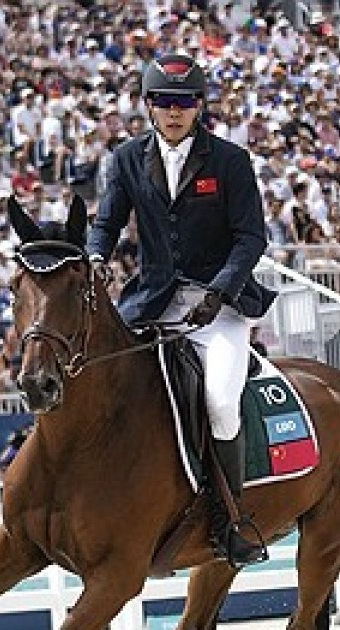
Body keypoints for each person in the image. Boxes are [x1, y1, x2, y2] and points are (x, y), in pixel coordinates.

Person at [85, 53, 274, 567]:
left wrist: (219, 290)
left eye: (185, 102)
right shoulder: (125, 158)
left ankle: (232, 521)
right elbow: (106, 222)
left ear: (199, 107)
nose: (174, 111)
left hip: (221, 307)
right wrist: (97, 256)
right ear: (148, 105)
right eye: (165, 102)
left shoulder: (229, 160)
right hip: (154, 301)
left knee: (218, 401)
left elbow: (251, 237)